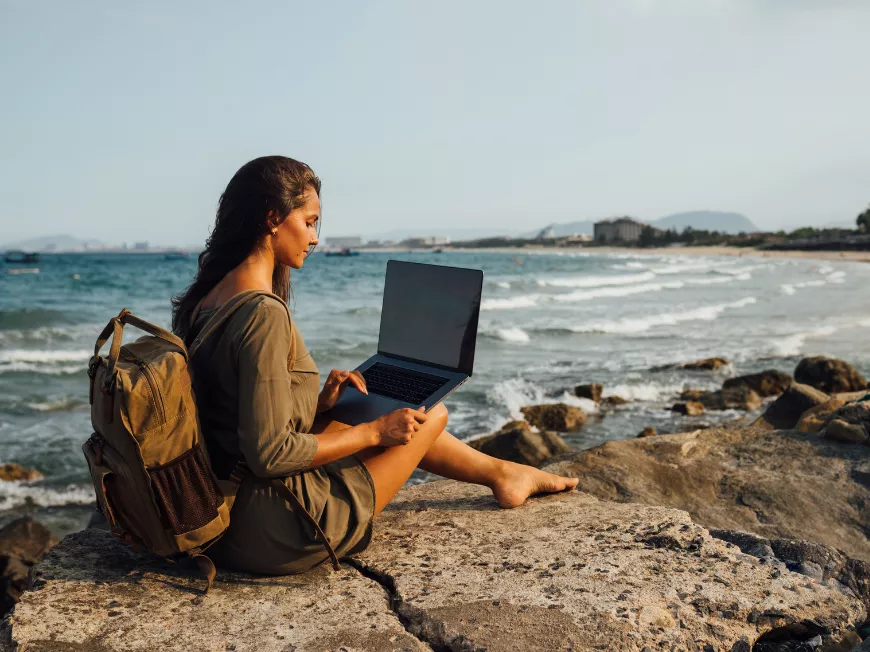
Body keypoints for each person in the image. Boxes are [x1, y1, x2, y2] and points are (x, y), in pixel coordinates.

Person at [170, 155, 578, 575]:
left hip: (220, 514)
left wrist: (319, 405)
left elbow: (230, 418)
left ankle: (503, 472)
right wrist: (374, 432)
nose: (314, 238)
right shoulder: (262, 312)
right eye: (309, 222)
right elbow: (270, 454)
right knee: (430, 412)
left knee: (369, 406)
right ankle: (504, 474)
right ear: (273, 218)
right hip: (278, 530)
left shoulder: (205, 302)